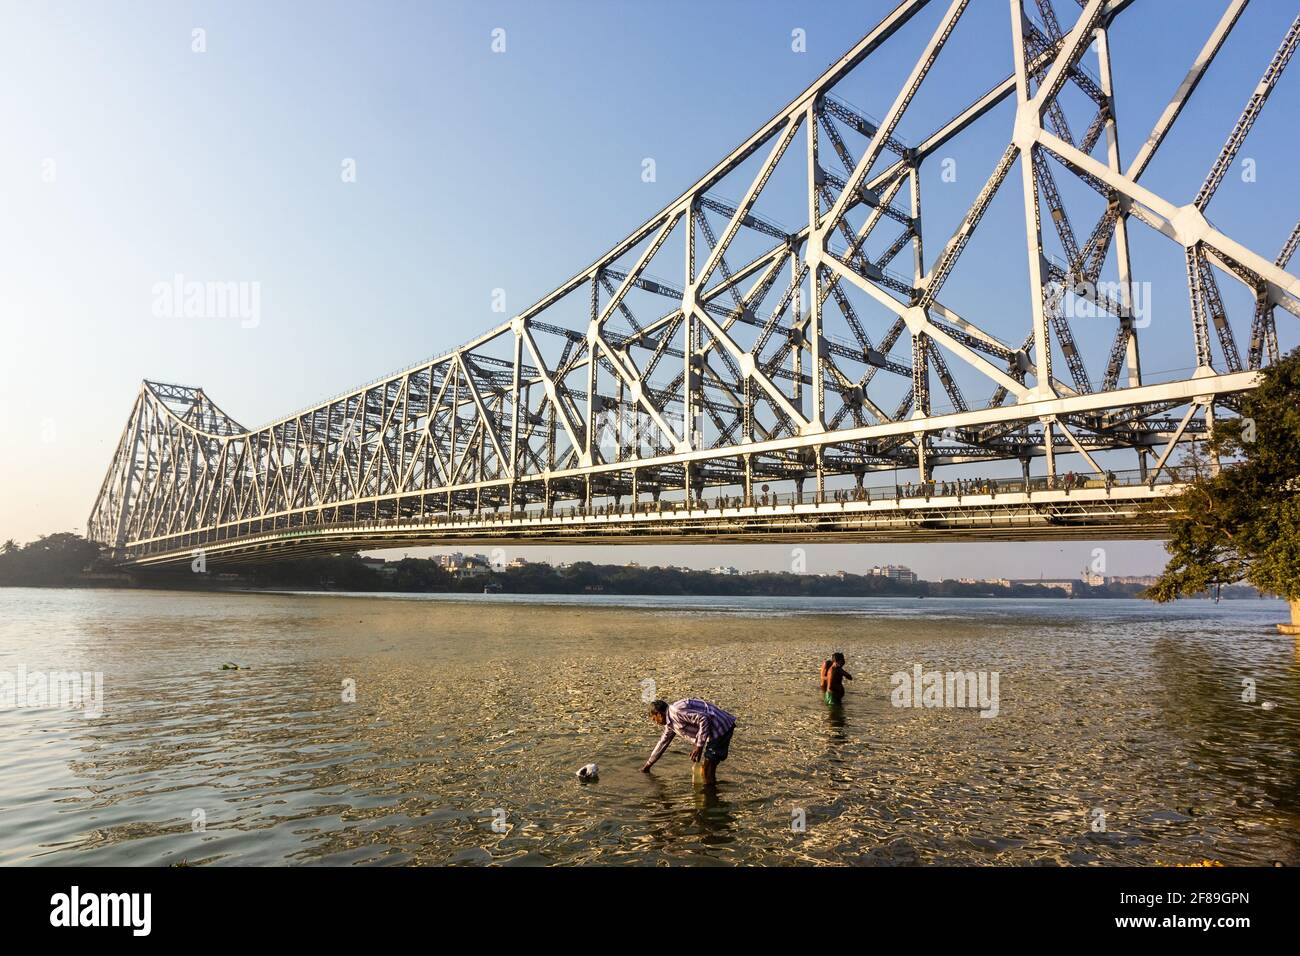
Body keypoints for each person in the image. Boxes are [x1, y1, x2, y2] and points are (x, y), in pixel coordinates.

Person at [641, 698, 736, 784]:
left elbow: (704, 719)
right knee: (707, 770)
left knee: (707, 771)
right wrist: (647, 766)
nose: (656, 723)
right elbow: (662, 744)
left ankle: (710, 799)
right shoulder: (670, 724)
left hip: (719, 727)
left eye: (654, 719)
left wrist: (699, 746)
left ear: (659, 714)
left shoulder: (677, 712)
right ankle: (711, 793)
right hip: (713, 731)